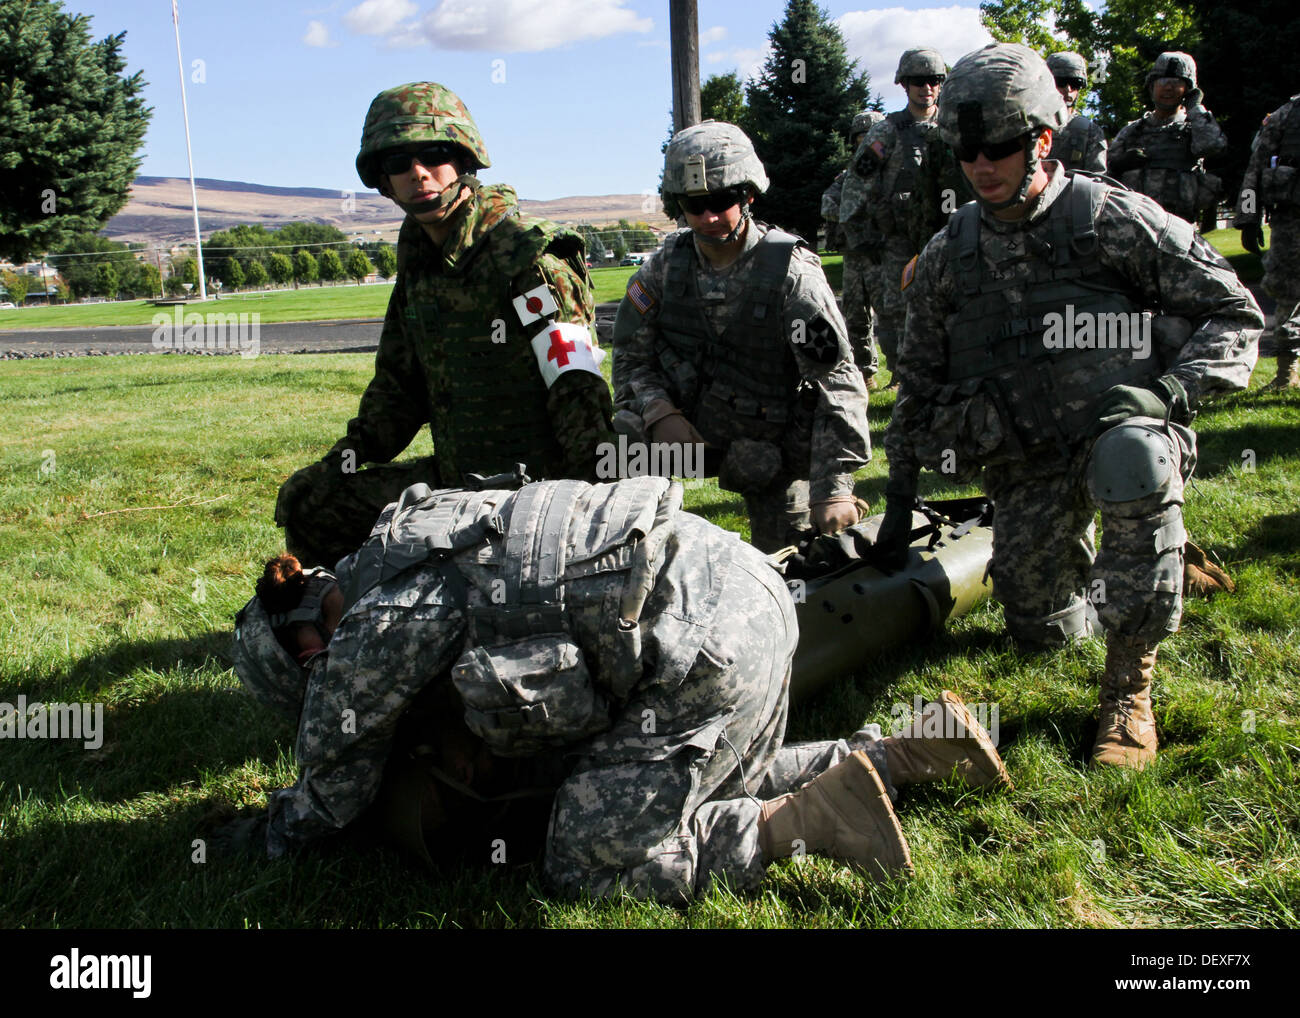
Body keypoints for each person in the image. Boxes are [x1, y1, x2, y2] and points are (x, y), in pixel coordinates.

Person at [230, 477, 1011, 903]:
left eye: (303, 665)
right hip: (745, 588)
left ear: (300, 619)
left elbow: (331, 780)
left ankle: (809, 823)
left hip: (694, 644)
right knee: (702, 780)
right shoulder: (418, 536)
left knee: (586, 862)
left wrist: (264, 831)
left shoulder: (371, 628)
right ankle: (902, 752)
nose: (316, 675)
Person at [873, 43, 1261, 770]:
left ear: (1042, 139)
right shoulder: (947, 258)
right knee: (1042, 628)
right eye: (968, 151)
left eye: (1001, 147)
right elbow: (918, 386)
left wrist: (1170, 394)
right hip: (1027, 463)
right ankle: (1158, 554)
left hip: (1119, 435)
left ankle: (1128, 695)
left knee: (1132, 459)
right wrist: (897, 508)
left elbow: (1233, 313)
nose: (982, 165)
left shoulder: (1108, 218)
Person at [273, 82, 614, 568]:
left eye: (433, 155)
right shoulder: (419, 263)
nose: (418, 173)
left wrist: (587, 513)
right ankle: (353, 626)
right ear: (383, 180)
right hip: (458, 481)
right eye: (398, 163)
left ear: (464, 159)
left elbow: (577, 390)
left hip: (541, 491)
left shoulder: (523, 258)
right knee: (316, 507)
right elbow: (397, 392)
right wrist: (336, 464)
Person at [612, 121, 871, 553]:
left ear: (747, 195)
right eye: (696, 205)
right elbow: (629, 358)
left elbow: (838, 382)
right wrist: (659, 413)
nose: (709, 217)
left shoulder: (790, 275)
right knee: (618, 445)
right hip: (688, 435)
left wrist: (836, 487)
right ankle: (632, 558)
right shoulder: (663, 269)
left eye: (722, 201)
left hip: (770, 448)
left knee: (795, 569)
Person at [843, 47, 963, 381]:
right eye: (918, 81)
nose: (927, 88)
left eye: (934, 80)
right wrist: (859, 232)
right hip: (898, 238)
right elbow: (859, 178)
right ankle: (904, 376)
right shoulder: (888, 131)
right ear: (904, 84)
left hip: (948, 232)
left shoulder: (953, 126)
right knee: (897, 311)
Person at [1108, 52, 1227, 227]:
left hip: (1180, 226)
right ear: (1151, 87)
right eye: (1162, 82)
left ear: (1188, 90)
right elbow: (1103, 175)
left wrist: (1195, 107)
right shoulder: (1132, 132)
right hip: (1136, 228)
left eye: (1177, 83)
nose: (1168, 88)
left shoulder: (1194, 128)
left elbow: (1212, 145)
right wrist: (1118, 165)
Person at [1235, 92, 1300, 389]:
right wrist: (1248, 217)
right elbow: (1255, 171)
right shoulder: (1285, 115)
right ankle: (1287, 373)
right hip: (1292, 221)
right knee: (1289, 291)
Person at [824, 109, 887, 385]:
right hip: (853, 254)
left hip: (882, 253)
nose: (865, 142)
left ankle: (899, 371)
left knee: (891, 313)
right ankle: (866, 371)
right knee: (855, 315)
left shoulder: (892, 174)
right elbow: (827, 204)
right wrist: (854, 211)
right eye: (860, 137)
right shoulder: (848, 177)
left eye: (870, 136)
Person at [1045, 51, 1107, 173]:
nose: (1068, 90)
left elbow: (1096, 181)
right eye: (1061, 82)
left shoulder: (1090, 132)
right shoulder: (1030, 125)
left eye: (1075, 84)